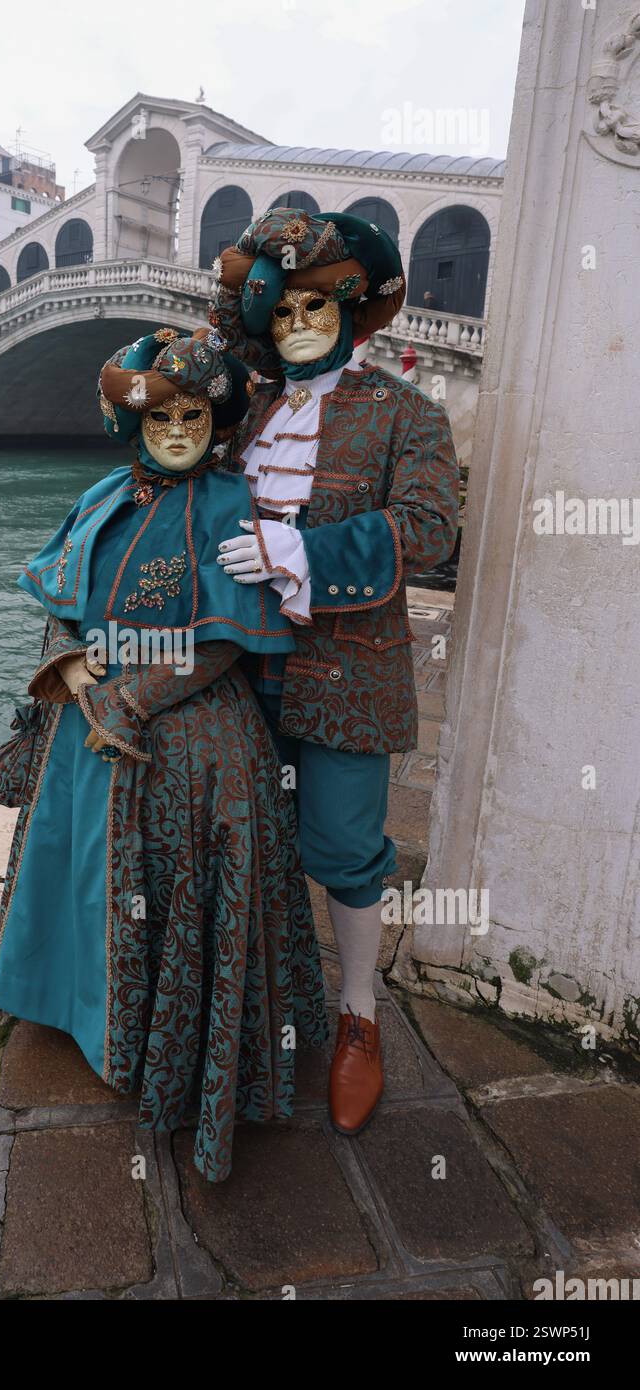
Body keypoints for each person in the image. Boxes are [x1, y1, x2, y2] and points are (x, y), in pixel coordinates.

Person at [0, 330, 328, 1182]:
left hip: (187, 742)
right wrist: (68, 664)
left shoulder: (226, 506)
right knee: (78, 867)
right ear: (131, 423)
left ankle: (149, 1045)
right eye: (162, 415)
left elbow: (227, 641)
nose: (177, 429)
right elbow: (63, 595)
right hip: (83, 726)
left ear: (216, 422)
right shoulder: (104, 493)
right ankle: (69, 1004)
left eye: (194, 415)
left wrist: (129, 700)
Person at [207, 207, 460, 1136]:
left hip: (345, 670)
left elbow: (431, 530)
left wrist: (296, 553)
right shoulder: (251, 414)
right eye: (283, 311)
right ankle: (268, 993)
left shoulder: (408, 413)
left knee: (345, 849)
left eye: (320, 304)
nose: (300, 324)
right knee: (250, 836)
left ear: (352, 312)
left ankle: (361, 1013)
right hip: (238, 669)